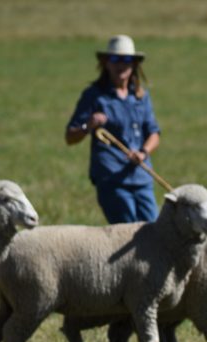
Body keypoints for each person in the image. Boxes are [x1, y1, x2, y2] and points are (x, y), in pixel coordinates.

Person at [65, 35, 161, 224]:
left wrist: (143, 152)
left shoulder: (141, 95)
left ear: (134, 64)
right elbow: (70, 136)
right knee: (126, 232)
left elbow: (154, 133)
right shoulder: (94, 95)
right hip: (112, 178)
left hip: (141, 176)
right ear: (106, 63)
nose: (121, 65)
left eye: (126, 60)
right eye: (115, 59)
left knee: (154, 232)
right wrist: (88, 126)